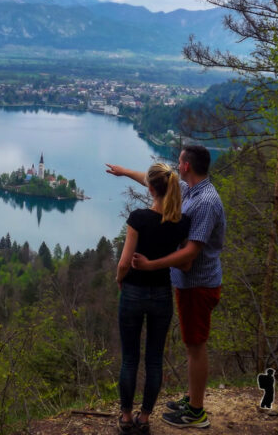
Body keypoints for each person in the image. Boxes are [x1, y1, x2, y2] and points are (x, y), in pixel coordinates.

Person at [107, 145, 225, 429]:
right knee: (179, 348)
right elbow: (156, 181)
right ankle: (180, 403)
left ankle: (196, 410)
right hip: (176, 286)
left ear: (185, 166)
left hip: (198, 283)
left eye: (180, 159)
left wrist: (147, 265)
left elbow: (189, 255)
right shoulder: (186, 196)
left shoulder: (205, 201)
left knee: (195, 345)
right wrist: (124, 172)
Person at [112, 163, 190, 433]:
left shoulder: (139, 218)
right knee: (154, 359)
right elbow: (184, 262)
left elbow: (124, 262)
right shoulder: (182, 222)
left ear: (150, 188)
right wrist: (125, 172)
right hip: (161, 295)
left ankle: (125, 416)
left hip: (133, 292)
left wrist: (120, 278)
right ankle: (144, 419)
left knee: (130, 358)